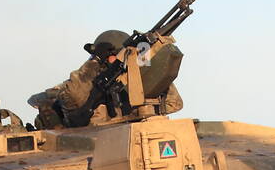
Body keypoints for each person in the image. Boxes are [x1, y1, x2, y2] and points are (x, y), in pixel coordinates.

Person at [28, 29, 183, 129]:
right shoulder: (87, 84)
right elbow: (69, 96)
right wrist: (94, 63)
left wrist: (151, 70)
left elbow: (174, 104)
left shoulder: (136, 83)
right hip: (96, 143)